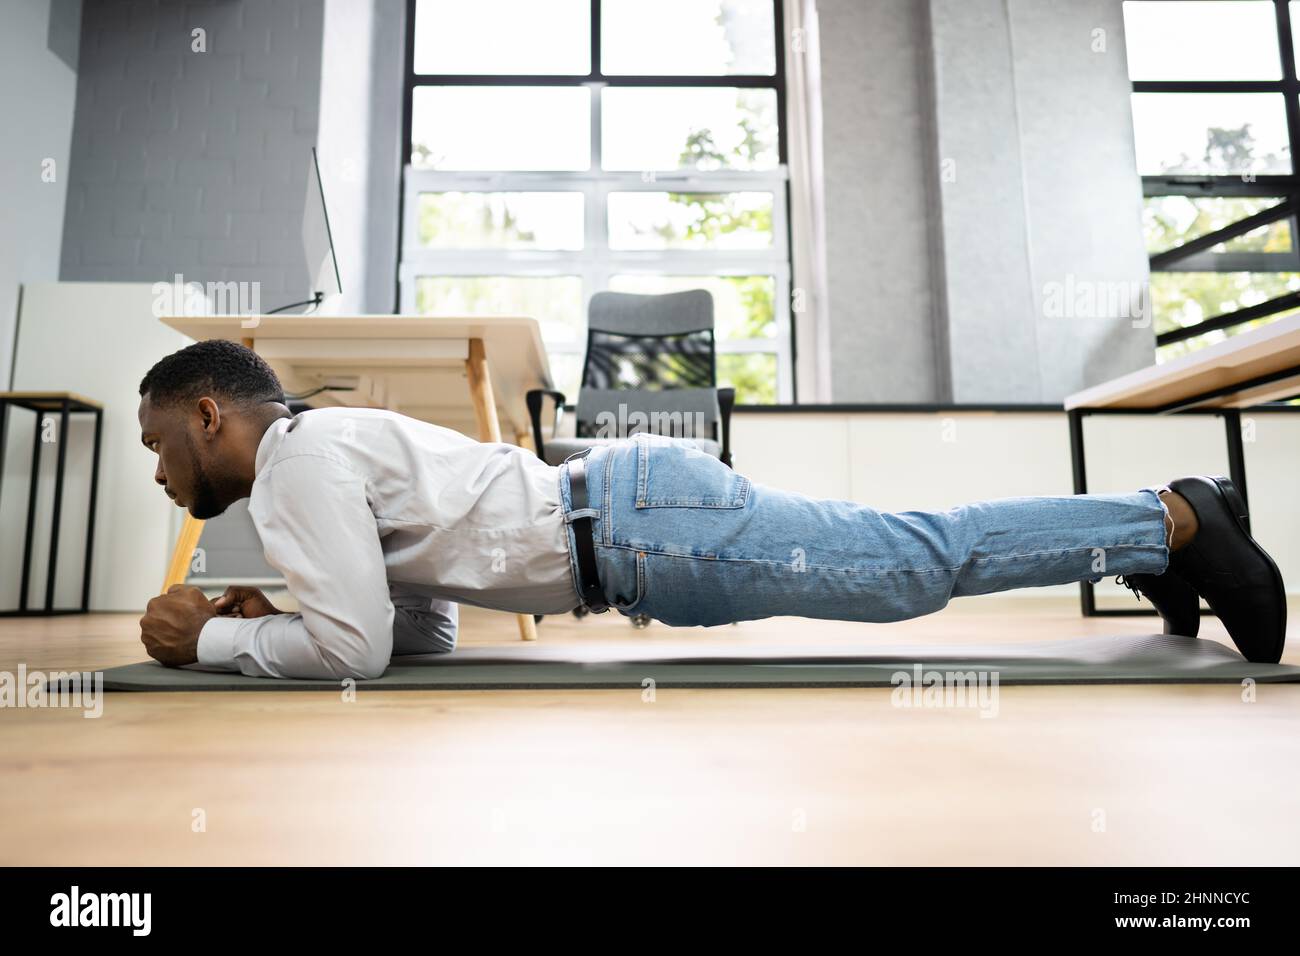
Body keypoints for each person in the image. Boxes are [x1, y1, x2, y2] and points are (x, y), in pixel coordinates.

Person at [136, 340, 1288, 680]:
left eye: (155, 448)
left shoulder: (295, 463)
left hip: (638, 526)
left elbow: (354, 651)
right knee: (906, 562)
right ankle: (1156, 534)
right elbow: (412, 632)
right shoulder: (317, 453)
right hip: (634, 523)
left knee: (908, 566)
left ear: (206, 414)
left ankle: (1173, 517)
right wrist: (287, 610)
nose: (158, 476)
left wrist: (219, 637)